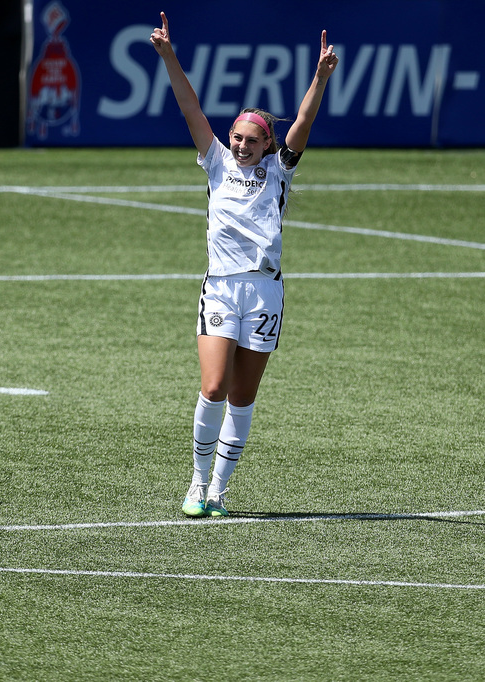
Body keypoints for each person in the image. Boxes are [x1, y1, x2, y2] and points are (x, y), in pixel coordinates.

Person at [150, 13, 338, 517]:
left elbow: (302, 124)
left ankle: (219, 489)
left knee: (241, 395)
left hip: (265, 293)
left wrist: (320, 78)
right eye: (237, 137)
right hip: (221, 288)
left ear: (267, 144)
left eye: (252, 140)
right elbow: (190, 106)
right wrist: (169, 56)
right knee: (213, 386)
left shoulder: (279, 169)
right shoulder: (215, 160)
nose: (241, 145)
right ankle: (196, 483)